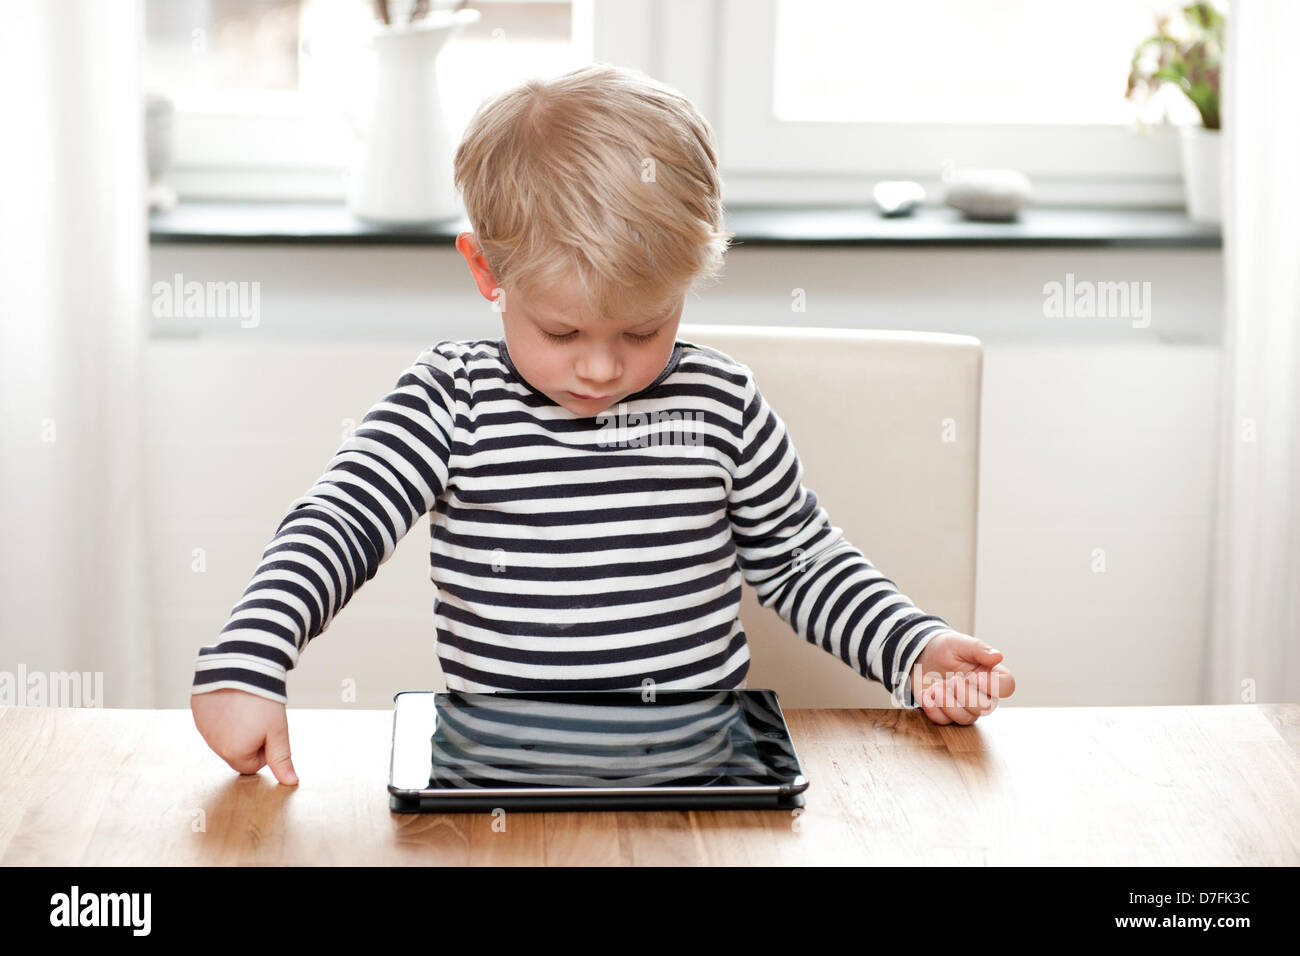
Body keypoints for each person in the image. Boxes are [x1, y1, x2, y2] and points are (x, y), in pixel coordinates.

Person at [190, 63, 1015, 785]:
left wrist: (914, 648)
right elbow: (338, 525)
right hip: (500, 796)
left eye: (643, 329)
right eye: (562, 332)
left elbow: (803, 564)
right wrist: (249, 660)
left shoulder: (721, 404)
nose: (600, 369)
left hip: (699, 790)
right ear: (487, 270)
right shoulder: (452, 399)